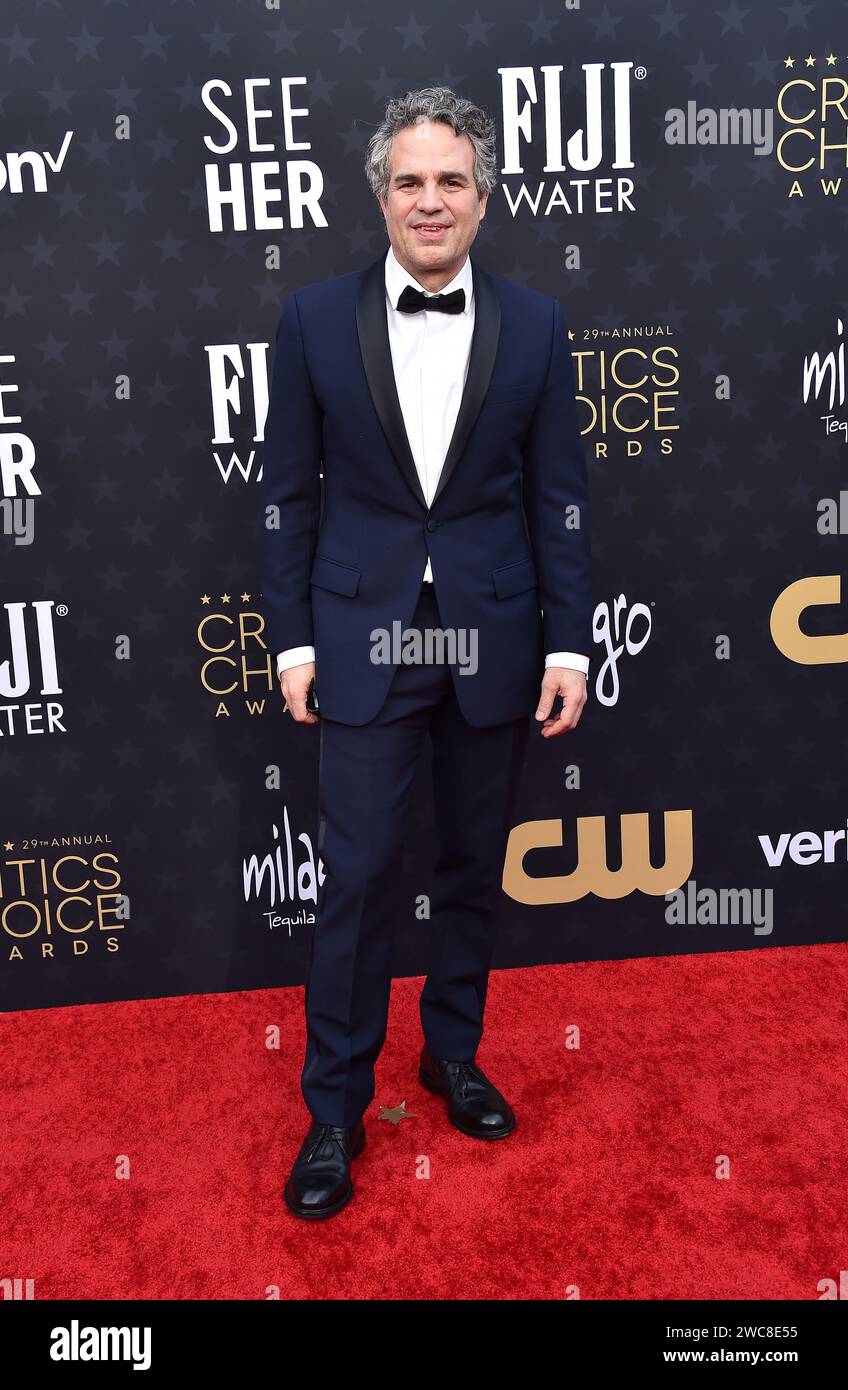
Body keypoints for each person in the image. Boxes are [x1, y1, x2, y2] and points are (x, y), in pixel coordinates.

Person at [260, 86, 592, 1219]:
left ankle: (449, 1053)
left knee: (467, 866)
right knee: (355, 880)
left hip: (491, 639)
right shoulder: (311, 318)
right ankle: (334, 1110)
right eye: (409, 179)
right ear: (378, 195)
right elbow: (285, 501)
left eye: (451, 179)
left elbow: (558, 502)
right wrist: (294, 640)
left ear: (484, 197)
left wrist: (569, 646)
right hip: (360, 638)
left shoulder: (537, 324)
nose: (430, 199)